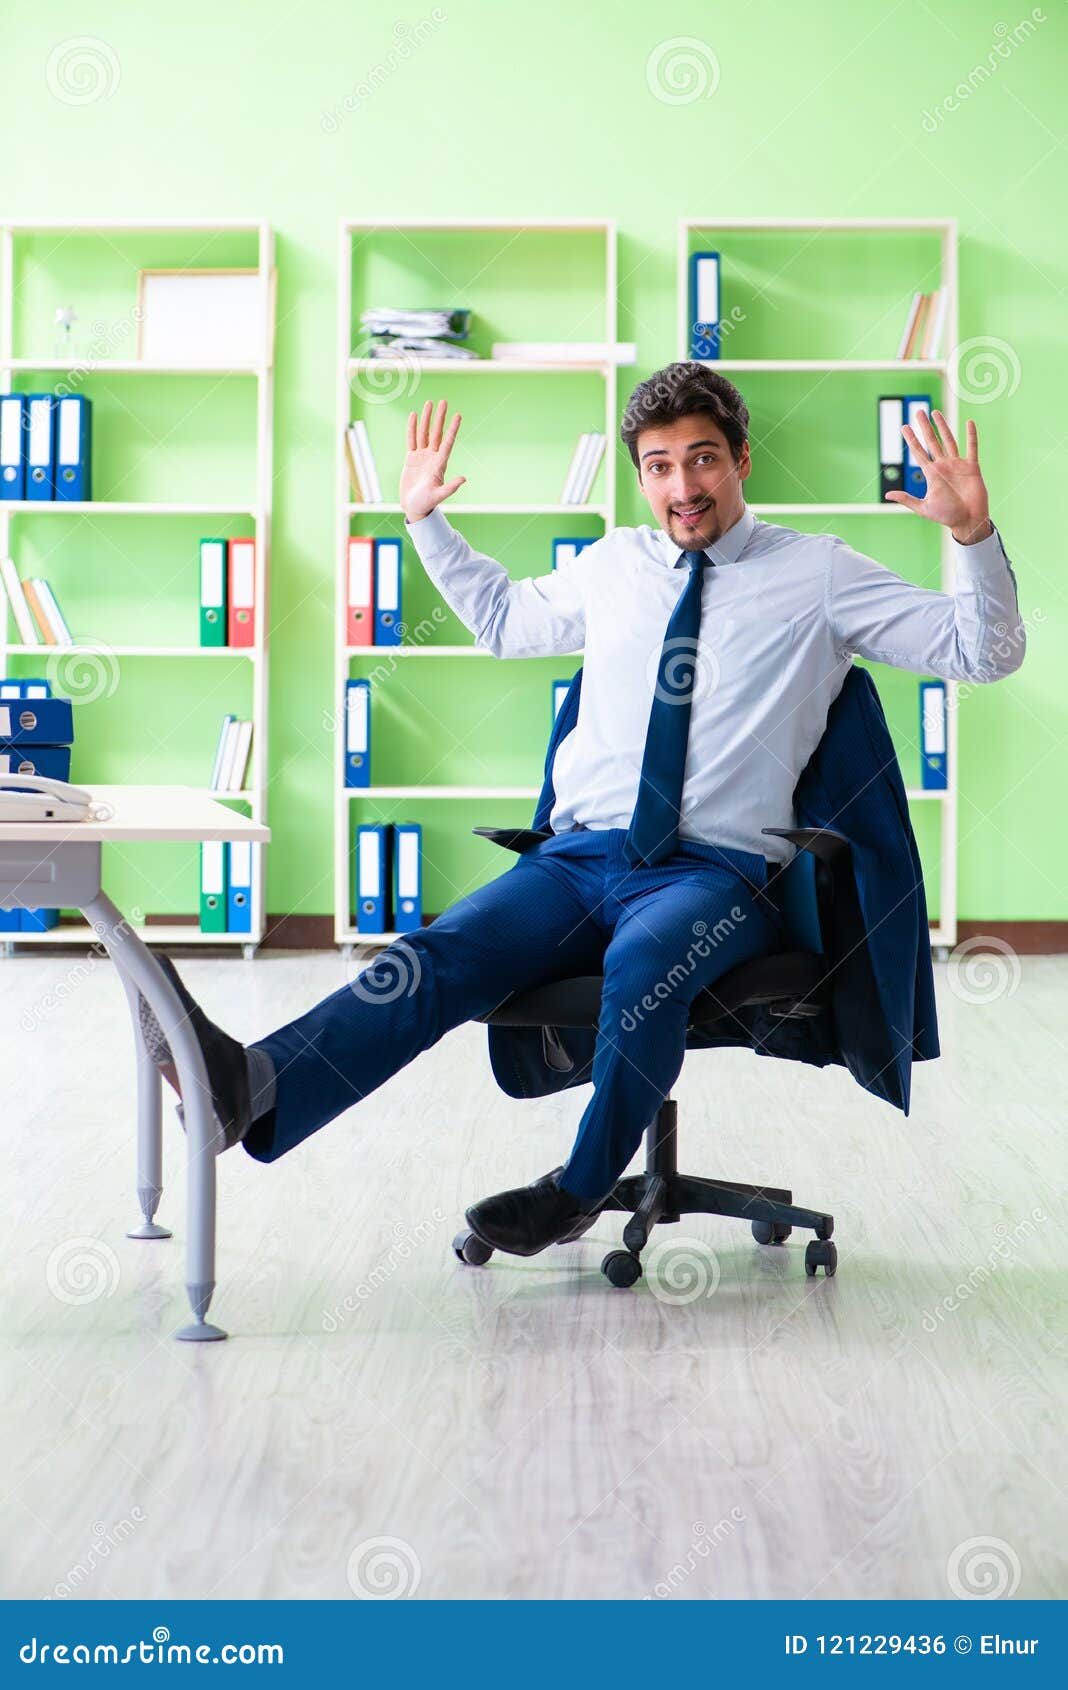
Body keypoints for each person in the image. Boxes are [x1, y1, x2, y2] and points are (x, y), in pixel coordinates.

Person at [137, 362, 1025, 1257]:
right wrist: (424, 521)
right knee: (434, 957)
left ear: (742, 460)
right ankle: (248, 1086)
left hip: (715, 871)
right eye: (661, 466)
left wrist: (971, 535)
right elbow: (501, 623)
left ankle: (578, 1185)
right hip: (581, 860)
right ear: (641, 476)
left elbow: (982, 652)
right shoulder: (613, 566)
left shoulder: (819, 573)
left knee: (647, 963)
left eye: (704, 459)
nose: (685, 487)